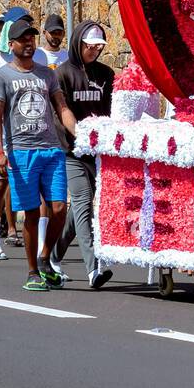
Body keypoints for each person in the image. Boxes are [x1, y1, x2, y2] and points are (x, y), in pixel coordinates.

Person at [0, 19, 78, 291]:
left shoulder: (47, 74)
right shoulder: (2, 75)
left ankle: (44, 257)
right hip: (21, 152)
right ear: (11, 44)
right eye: (23, 39)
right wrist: (0, 152)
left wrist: (81, 134)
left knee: (60, 209)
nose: (29, 43)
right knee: (30, 213)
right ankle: (32, 271)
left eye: (31, 38)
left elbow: (61, 108)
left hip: (51, 150)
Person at [53, 22, 116, 289]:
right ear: (78, 43)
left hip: (98, 152)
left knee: (78, 209)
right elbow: (63, 109)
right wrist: (79, 135)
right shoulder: (62, 74)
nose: (94, 51)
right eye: (89, 46)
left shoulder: (106, 74)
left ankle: (52, 255)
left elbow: (112, 110)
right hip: (72, 150)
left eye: (98, 47)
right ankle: (93, 268)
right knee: (82, 202)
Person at [0, 6, 32, 259]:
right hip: (1, 130)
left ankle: (41, 246)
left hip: (30, 132)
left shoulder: (39, 57)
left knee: (34, 186)